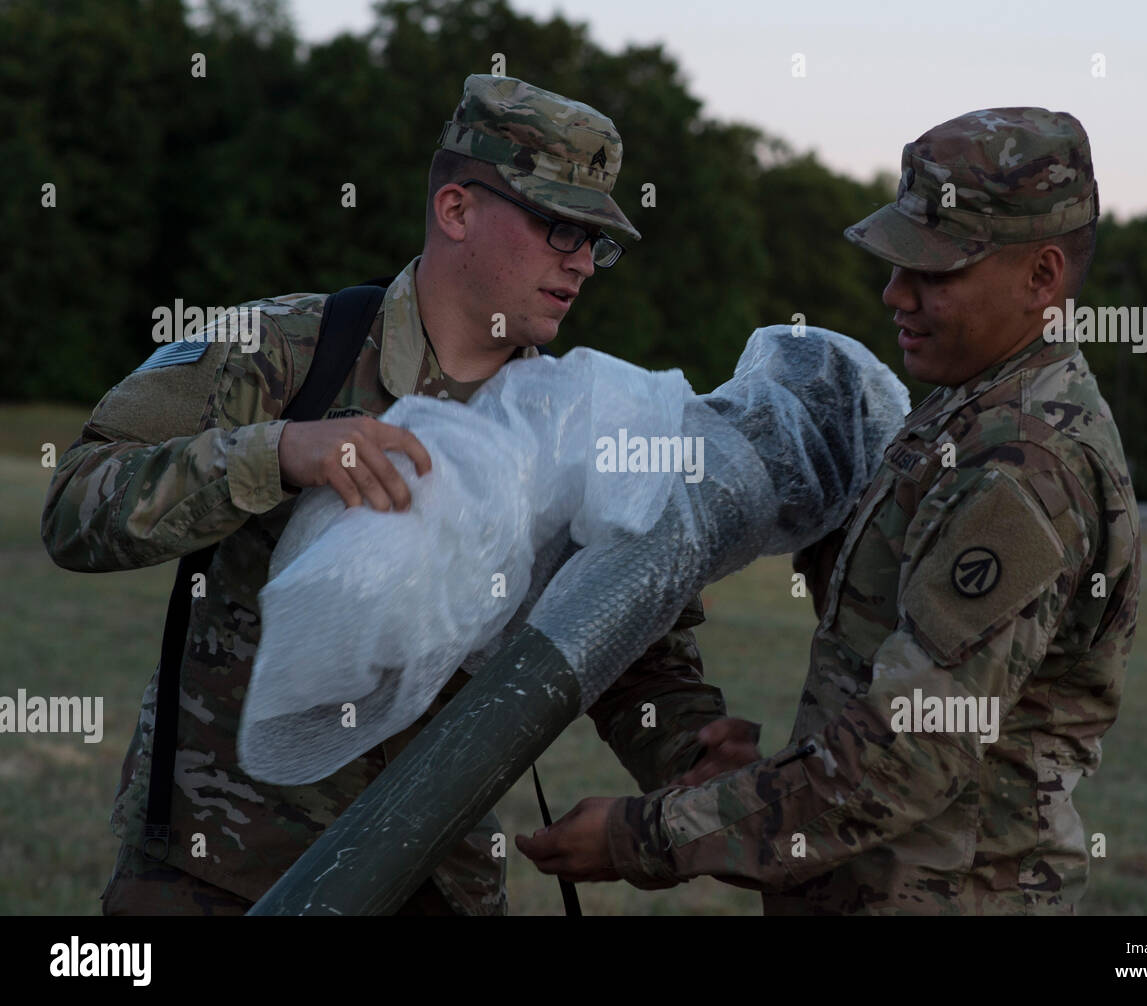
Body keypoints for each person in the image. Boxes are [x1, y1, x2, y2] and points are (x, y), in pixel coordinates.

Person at [40, 73, 758, 916]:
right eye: (560, 225)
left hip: (428, 887)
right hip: (218, 872)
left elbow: (637, 654)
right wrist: (275, 452)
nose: (580, 262)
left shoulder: (574, 431)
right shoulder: (283, 351)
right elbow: (72, 508)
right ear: (456, 210)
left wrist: (692, 755)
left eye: (598, 241)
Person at [516, 107, 1142, 915]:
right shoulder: (969, 410)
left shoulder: (1022, 467)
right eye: (896, 264)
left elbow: (903, 755)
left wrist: (643, 835)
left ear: (1042, 277)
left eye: (935, 272)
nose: (895, 295)